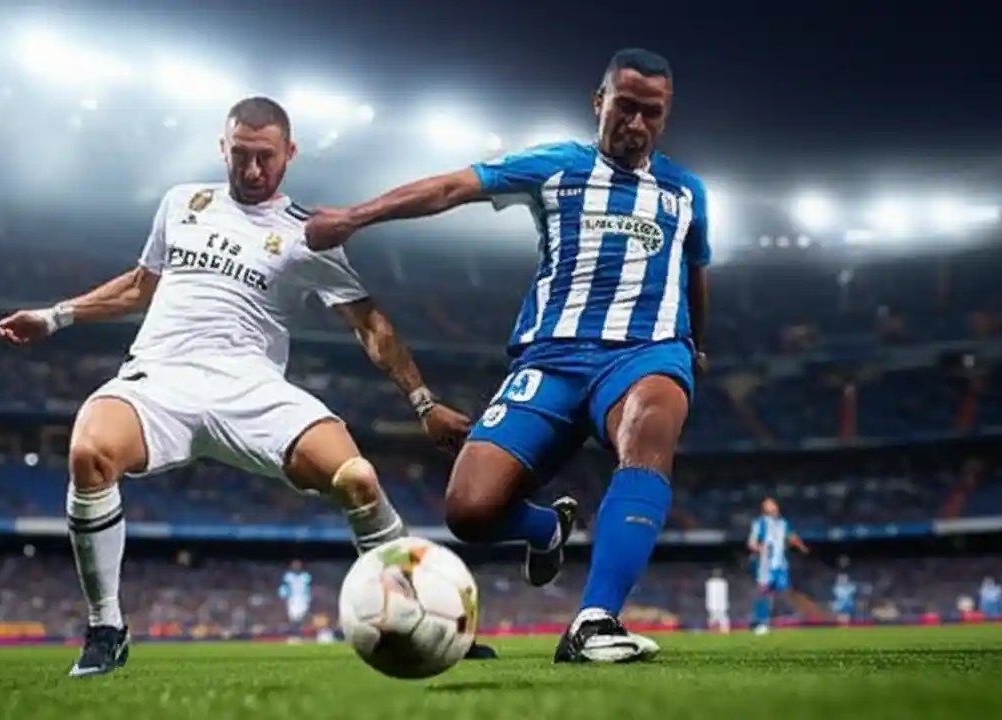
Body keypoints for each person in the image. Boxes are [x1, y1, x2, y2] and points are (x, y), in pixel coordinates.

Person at [0, 97, 473, 677]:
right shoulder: (182, 202)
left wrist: (422, 403)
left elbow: (370, 324)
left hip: (252, 389)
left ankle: (427, 618)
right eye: (240, 156)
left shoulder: (308, 233)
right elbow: (141, 286)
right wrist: (54, 316)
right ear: (223, 147)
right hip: (161, 377)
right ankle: (106, 628)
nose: (251, 171)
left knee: (359, 478)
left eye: (264, 158)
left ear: (290, 154)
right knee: (87, 452)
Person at [304, 48, 710, 663]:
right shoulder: (556, 166)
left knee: (650, 426)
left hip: (646, 352)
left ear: (666, 116)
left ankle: (594, 623)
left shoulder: (686, 192)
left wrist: (692, 347)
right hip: (548, 362)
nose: (636, 125)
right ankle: (546, 528)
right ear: (599, 101)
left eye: (651, 114)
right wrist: (356, 218)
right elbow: (448, 188)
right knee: (469, 509)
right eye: (625, 108)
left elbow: (694, 273)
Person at [747, 498, 809, 635]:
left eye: (774, 504)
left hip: (780, 564)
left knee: (779, 591)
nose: (773, 506)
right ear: (765, 508)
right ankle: (762, 622)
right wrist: (758, 548)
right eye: (769, 505)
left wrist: (800, 546)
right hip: (765, 564)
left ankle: (763, 619)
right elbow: (751, 542)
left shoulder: (782, 523)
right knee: (764, 592)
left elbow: (791, 536)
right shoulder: (759, 523)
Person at [280, 560, 313, 638]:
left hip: (303, 599)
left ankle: (303, 634)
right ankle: (294, 634)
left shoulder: (306, 576)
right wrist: (284, 597)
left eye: (298, 564)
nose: (296, 566)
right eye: (295, 565)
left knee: (303, 617)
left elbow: (309, 588)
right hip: (292, 599)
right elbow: (283, 588)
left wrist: (309, 598)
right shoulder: (288, 576)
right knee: (293, 618)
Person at [705, 567, 730, 634]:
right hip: (715, 605)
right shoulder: (711, 582)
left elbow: (724, 594)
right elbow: (709, 594)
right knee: (715, 618)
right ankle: (714, 631)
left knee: (721, 619)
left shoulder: (722, 582)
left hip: (719, 605)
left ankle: (722, 631)